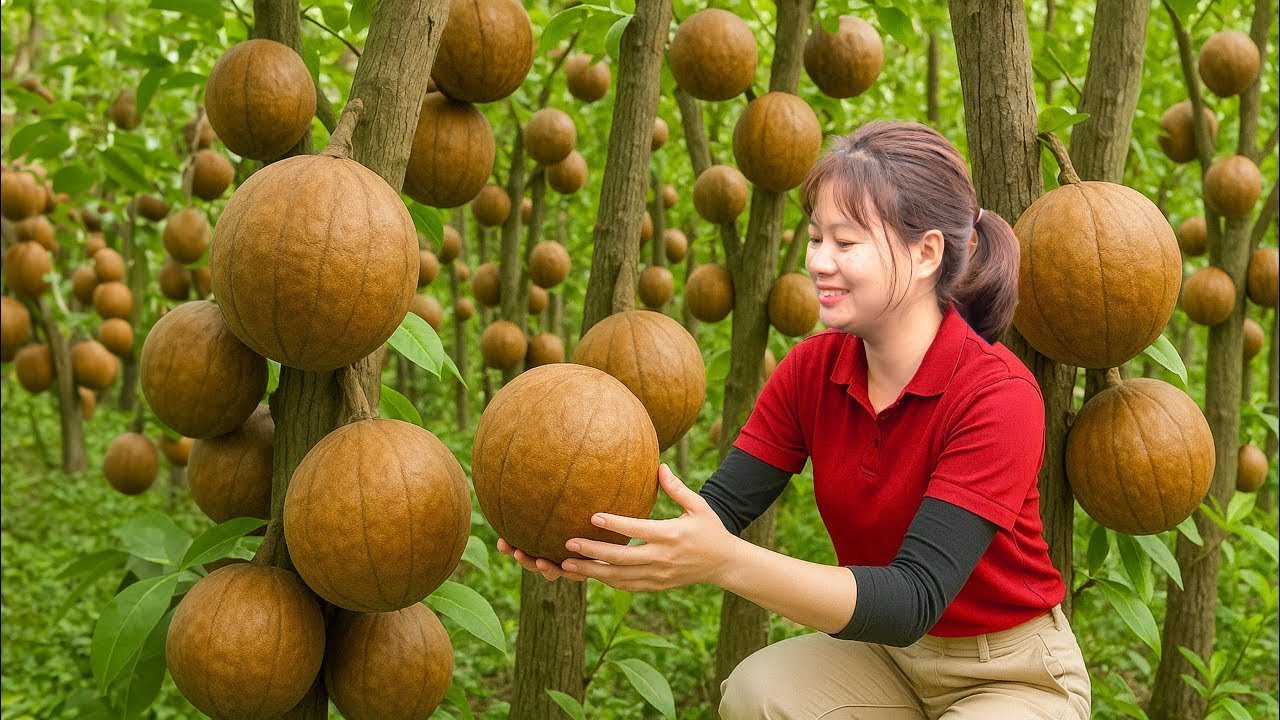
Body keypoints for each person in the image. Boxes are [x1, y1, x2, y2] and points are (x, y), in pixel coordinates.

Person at [498, 121, 1091, 719]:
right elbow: (719, 512)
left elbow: (915, 598)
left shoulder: (998, 393)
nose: (820, 263)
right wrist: (586, 538)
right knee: (760, 691)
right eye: (815, 239)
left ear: (925, 254)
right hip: (884, 658)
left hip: (1009, 672)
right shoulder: (812, 370)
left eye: (847, 242)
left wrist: (725, 560)